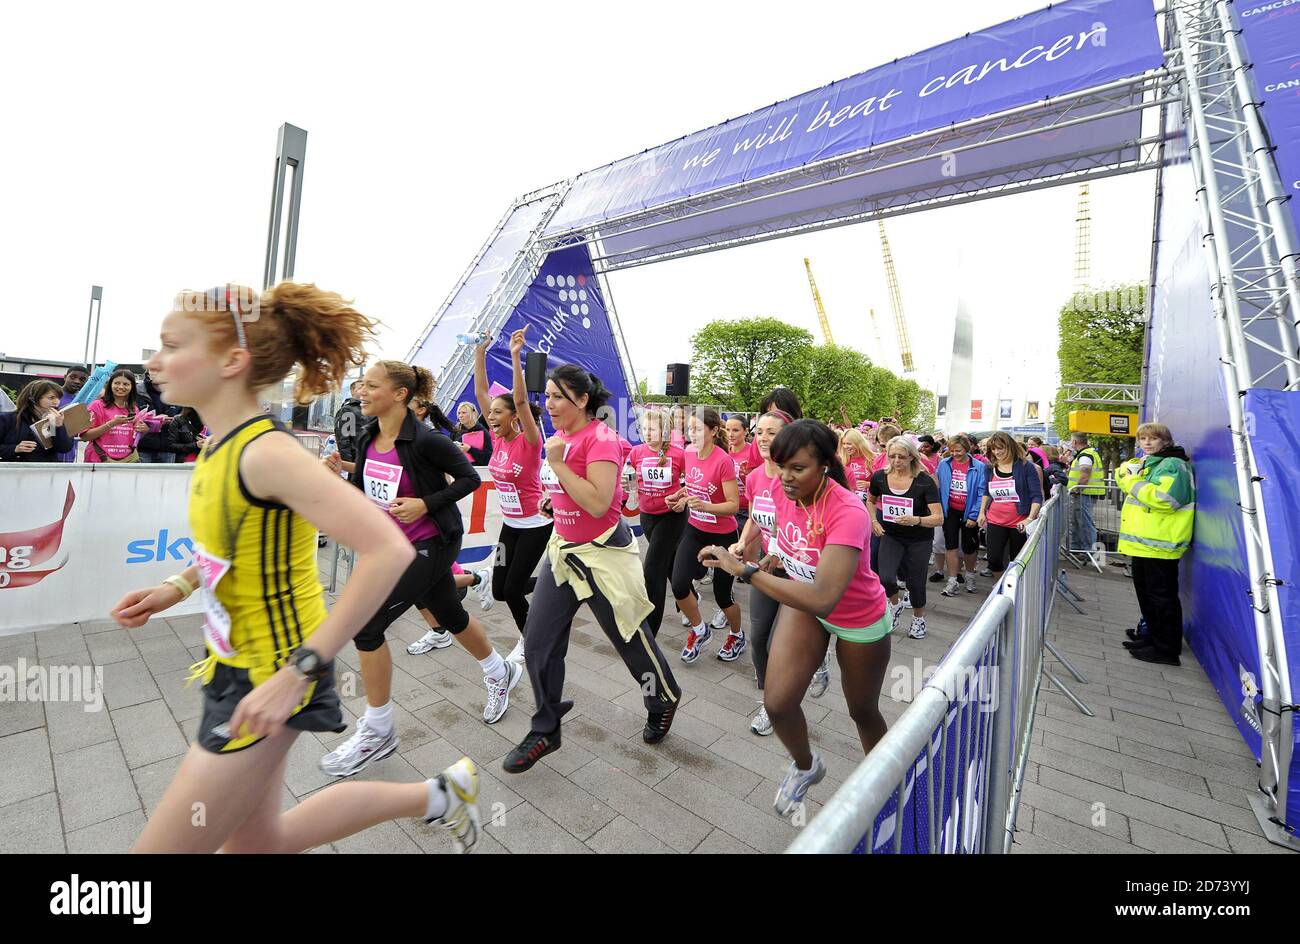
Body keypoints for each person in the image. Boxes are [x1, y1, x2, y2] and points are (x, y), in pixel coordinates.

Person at [111, 282, 480, 854]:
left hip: (271, 679)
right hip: (232, 668)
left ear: (232, 361)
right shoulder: (217, 446)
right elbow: (230, 547)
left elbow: (388, 549)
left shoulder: (267, 453)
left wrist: (299, 671)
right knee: (259, 844)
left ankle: (439, 796)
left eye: (171, 345)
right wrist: (175, 585)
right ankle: (441, 796)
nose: (153, 361)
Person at [321, 360, 521, 773]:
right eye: (362, 385)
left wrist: (425, 504)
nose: (362, 391)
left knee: (367, 626)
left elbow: (468, 478)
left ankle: (378, 730)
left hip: (431, 546)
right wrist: (340, 475)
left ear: (399, 394)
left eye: (372, 386)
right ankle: (499, 670)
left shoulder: (428, 440)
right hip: (390, 546)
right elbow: (368, 486)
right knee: (450, 613)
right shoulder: (368, 437)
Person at [700, 419, 891, 815]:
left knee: (862, 710)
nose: (785, 477)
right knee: (778, 702)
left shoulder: (848, 510)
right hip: (804, 605)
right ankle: (806, 767)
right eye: (780, 464)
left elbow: (824, 597)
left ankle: (887, 781)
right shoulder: (776, 488)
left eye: (798, 468)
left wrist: (746, 573)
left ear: (824, 465)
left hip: (855, 615)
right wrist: (770, 557)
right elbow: (787, 540)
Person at [503, 365, 683, 773]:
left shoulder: (600, 440)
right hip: (563, 549)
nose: (548, 404)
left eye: (557, 397)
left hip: (602, 553)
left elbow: (601, 504)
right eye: (546, 396)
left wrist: (560, 468)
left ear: (582, 401)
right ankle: (546, 727)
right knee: (538, 642)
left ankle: (663, 698)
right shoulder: (560, 437)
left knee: (628, 637)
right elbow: (568, 491)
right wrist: (553, 501)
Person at [467, 325, 551, 660]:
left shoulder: (530, 441)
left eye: (497, 413)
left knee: (513, 591)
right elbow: (481, 391)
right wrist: (479, 351)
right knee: (501, 589)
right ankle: (557, 587)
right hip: (511, 526)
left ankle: (533, 642)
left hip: (535, 525)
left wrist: (516, 356)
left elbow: (518, 398)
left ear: (516, 417)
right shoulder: (498, 437)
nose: (491, 417)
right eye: (490, 415)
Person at [670, 407, 745, 663]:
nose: (692, 433)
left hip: (723, 537)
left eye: (698, 429)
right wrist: (680, 496)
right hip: (694, 530)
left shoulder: (723, 460)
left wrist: (707, 506)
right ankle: (700, 631)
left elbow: (734, 505)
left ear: (713, 431)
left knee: (723, 596)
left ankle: (737, 635)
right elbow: (692, 485)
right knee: (679, 584)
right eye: (689, 428)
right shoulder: (689, 452)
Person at [1118, 424, 1195, 666]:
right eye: (1143, 439)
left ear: (1165, 441)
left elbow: (1166, 499)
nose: (1147, 443)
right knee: (1149, 597)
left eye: (1153, 438)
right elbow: (1123, 475)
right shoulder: (1152, 463)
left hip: (1160, 544)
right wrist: (1130, 476)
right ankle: (1152, 637)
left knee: (1161, 598)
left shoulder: (1173, 465)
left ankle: (1166, 649)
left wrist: (1132, 481)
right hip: (1146, 544)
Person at [868, 437, 943, 639]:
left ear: (912, 456)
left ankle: (919, 619)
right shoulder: (880, 477)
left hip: (919, 538)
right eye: (892, 456)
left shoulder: (924, 481)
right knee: (885, 577)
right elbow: (870, 500)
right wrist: (874, 521)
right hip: (892, 535)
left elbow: (938, 518)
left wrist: (916, 519)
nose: (896, 461)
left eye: (901, 456)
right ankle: (895, 605)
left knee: (916, 582)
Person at [627, 408, 687, 635]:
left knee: (652, 568)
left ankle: (649, 628)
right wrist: (628, 487)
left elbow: (693, 483)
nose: (647, 433)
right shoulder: (636, 452)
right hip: (647, 516)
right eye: (644, 429)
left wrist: (682, 498)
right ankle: (688, 596)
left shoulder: (679, 454)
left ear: (664, 430)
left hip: (671, 517)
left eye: (652, 429)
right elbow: (629, 479)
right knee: (669, 565)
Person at [977, 431, 1043, 580]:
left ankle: (1014, 590)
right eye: (993, 449)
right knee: (993, 560)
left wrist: (1030, 518)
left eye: (1001, 448)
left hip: (1018, 521)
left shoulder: (1026, 467)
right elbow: (987, 491)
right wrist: (982, 513)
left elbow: (1036, 496)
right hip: (995, 519)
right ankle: (1001, 585)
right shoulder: (989, 467)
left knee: (1017, 561)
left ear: (1010, 447)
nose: (997, 452)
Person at [935, 434, 986, 597]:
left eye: (959, 451)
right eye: (952, 451)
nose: (955, 454)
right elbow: (938, 485)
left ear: (967, 449)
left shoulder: (978, 466)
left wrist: (974, 515)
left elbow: (981, 491)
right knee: (950, 545)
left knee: (969, 546)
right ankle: (952, 580)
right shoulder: (944, 464)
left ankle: (970, 575)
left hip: (969, 510)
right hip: (950, 510)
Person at [81, 368, 148, 463]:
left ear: (132, 387)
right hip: (99, 460)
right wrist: (112, 424)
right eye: (117, 383)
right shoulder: (96, 405)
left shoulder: (134, 408)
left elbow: (133, 438)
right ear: (110, 385)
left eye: (126, 384)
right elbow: (85, 437)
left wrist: (144, 431)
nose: (120, 387)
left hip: (127, 461)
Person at [1, 379, 74, 462]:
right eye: (51, 398)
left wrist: (57, 427)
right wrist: (15, 449)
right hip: (15, 470)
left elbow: (63, 448)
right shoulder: (8, 419)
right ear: (33, 399)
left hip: (45, 470)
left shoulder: (58, 419)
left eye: (59, 398)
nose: (56, 402)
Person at [1068, 431, 1105, 551]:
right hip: (1086, 493)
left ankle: (1087, 550)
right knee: (1080, 522)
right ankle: (1079, 548)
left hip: (1084, 494)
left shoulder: (1085, 455)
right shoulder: (1089, 453)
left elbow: (1085, 474)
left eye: (1071, 441)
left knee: (1084, 523)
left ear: (1075, 442)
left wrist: (1077, 489)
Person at [137, 368, 177, 463]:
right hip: (143, 447)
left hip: (168, 447)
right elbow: (132, 417)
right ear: (148, 372)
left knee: (167, 477)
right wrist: (156, 422)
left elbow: (183, 417)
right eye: (154, 369)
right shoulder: (137, 391)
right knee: (142, 477)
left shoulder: (177, 392)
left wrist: (175, 420)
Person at [56, 366, 89, 462]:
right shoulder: (53, 395)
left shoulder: (85, 402)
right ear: (65, 377)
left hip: (69, 453)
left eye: (82, 379)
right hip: (49, 452)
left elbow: (81, 429)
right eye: (73, 377)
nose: (77, 381)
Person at [334, 379, 365, 464]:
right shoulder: (348, 410)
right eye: (361, 386)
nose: (364, 389)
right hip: (356, 459)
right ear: (352, 391)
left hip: (368, 457)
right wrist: (348, 461)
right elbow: (344, 438)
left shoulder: (369, 408)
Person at [839, 429, 874, 502]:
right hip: (848, 502)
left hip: (869, 502)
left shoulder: (872, 459)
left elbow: (882, 481)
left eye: (849, 443)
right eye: (843, 443)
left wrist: (870, 484)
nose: (846, 446)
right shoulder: (842, 460)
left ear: (858, 443)